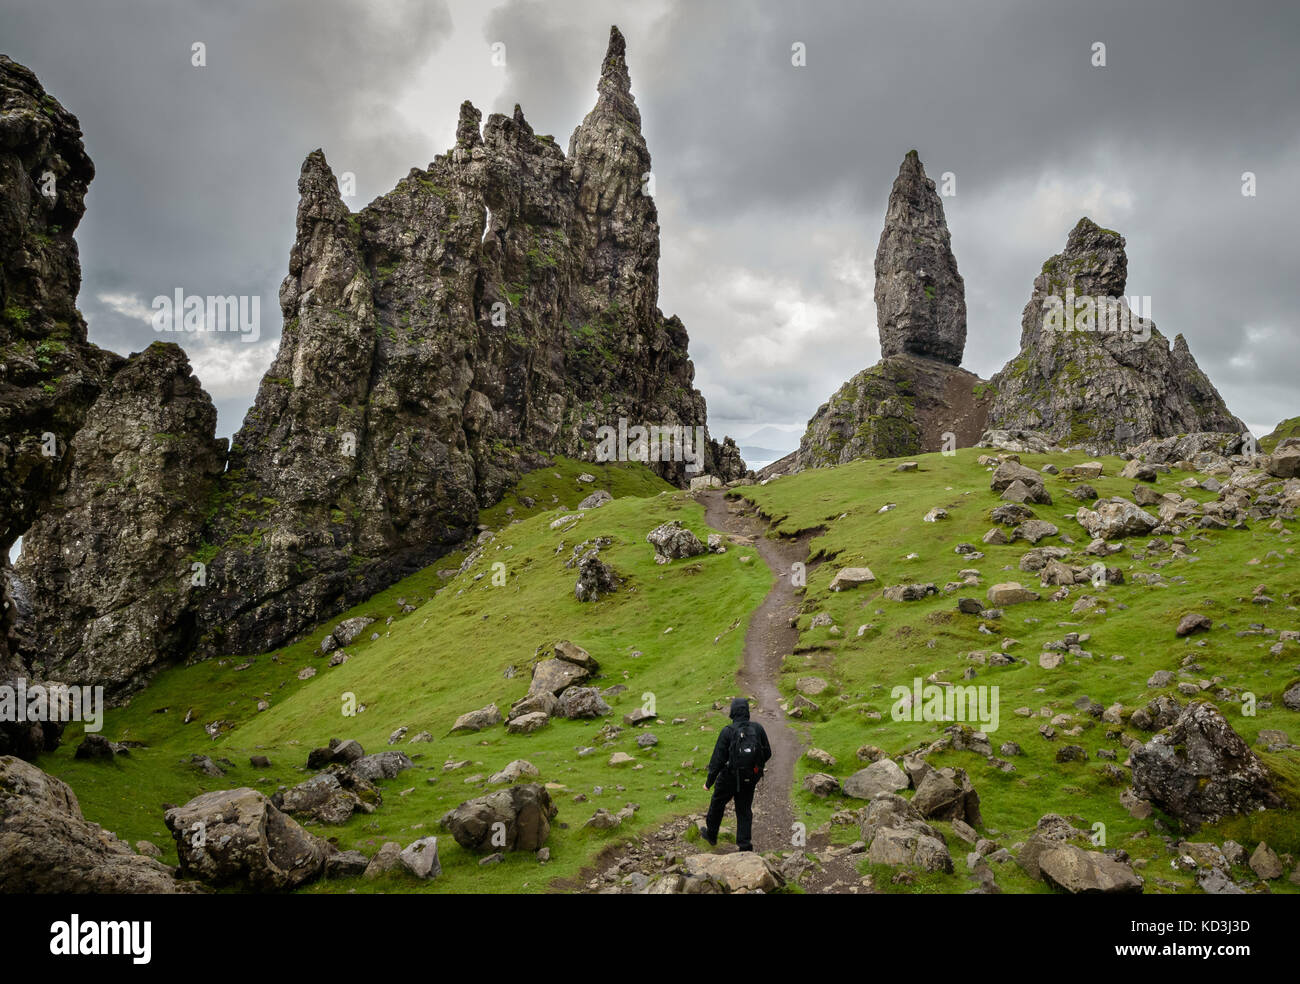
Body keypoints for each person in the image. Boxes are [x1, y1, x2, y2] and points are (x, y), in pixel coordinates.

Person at [702, 697, 771, 851]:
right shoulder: (758, 729)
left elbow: (717, 760)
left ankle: (711, 835)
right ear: (747, 712)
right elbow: (767, 753)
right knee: (744, 810)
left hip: (729, 777)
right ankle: (745, 846)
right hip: (749, 778)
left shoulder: (728, 731)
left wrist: (709, 782)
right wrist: (755, 769)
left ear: (732, 712)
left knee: (717, 804)